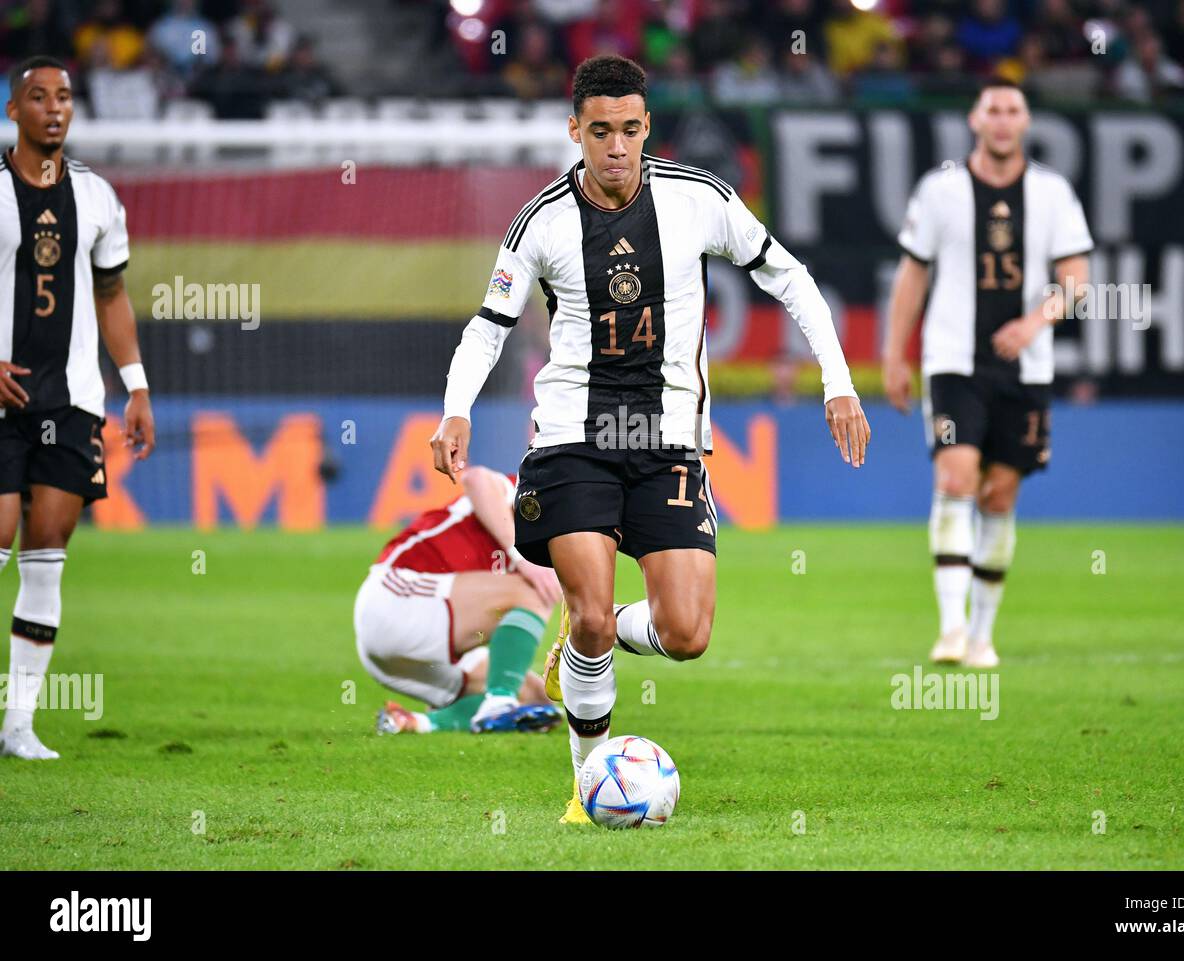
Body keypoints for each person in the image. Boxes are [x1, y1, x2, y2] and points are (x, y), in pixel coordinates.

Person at [430, 55, 868, 823]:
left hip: (670, 442)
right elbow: (488, 325)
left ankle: (578, 649)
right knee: (595, 613)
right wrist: (456, 407)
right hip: (575, 440)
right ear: (575, 130)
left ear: (646, 128)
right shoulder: (541, 222)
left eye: (630, 130)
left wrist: (837, 379)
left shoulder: (699, 199)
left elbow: (789, 275)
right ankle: (583, 786)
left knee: (687, 633)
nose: (616, 147)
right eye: (600, 132)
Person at [883, 78, 1092, 669]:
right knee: (955, 478)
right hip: (952, 361)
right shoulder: (941, 190)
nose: (1002, 120)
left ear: (1025, 122)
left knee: (1000, 494)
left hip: (1025, 369)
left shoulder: (1052, 193)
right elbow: (912, 276)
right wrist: (895, 354)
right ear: (975, 119)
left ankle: (981, 635)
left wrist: (1035, 322)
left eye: (1013, 110)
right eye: (992, 109)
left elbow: (1077, 278)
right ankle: (950, 631)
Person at [0, 57, 155, 760]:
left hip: (71, 400)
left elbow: (113, 292)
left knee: (46, 557)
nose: (55, 108)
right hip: (3, 398)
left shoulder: (96, 195)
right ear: (14, 112)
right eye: (38, 97)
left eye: (64, 97)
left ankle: (18, 723)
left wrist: (137, 384)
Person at [357, 465, 563, 734]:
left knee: (536, 701)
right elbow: (475, 479)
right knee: (535, 587)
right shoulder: (531, 492)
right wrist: (521, 558)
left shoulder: (559, 535)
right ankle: (500, 703)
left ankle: (415, 723)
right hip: (396, 596)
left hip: (403, 649)